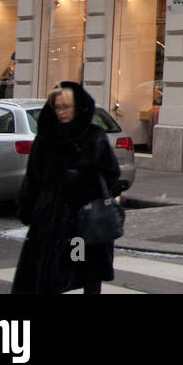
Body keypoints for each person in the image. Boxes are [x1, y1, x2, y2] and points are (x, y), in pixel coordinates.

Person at [12, 82, 121, 294]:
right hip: (50, 220)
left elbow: (111, 174)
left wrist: (88, 187)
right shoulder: (46, 138)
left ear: (78, 106)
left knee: (84, 268)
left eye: (66, 107)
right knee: (47, 274)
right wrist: (28, 208)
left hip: (83, 222)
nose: (61, 112)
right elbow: (33, 178)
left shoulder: (93, 136)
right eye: (57, 107)